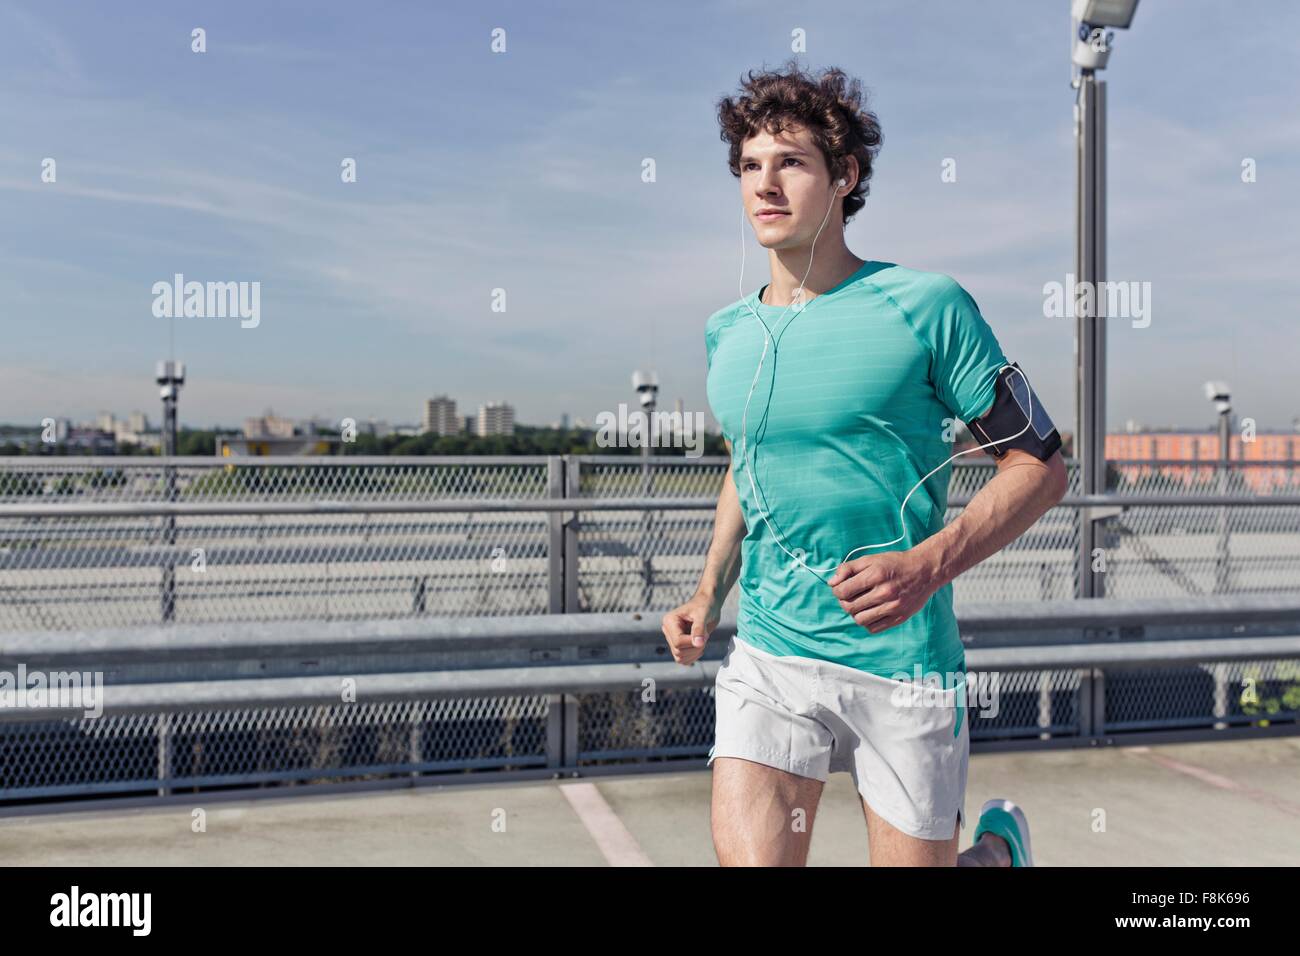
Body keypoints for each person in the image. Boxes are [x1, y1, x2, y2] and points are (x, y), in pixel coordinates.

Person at [661, 60, 1065, 867]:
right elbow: (749, 464)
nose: (763, 186)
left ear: (845, 176)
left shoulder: (925, 306)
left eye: (791, 163)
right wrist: (710, 591)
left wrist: (925, 566)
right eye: (749, 166)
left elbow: (1041, 464)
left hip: (902, 665)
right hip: (770, 656)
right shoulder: (725, 333)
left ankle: (992, 856)